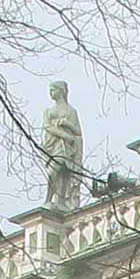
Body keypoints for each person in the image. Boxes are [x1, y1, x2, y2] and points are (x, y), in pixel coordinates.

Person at [40, 82, 84, 212]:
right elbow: (47, 127)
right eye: (50, 90)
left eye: (53, 90)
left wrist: (67, 124)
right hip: (53, 145)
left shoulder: (71, 111)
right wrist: (64, 135)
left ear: (61, 91)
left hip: (68, 148)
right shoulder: (48, 111)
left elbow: (78, 131)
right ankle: (48, 199)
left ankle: (61, 201)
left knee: (65, 173)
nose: (51, 93)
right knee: (53, 171)